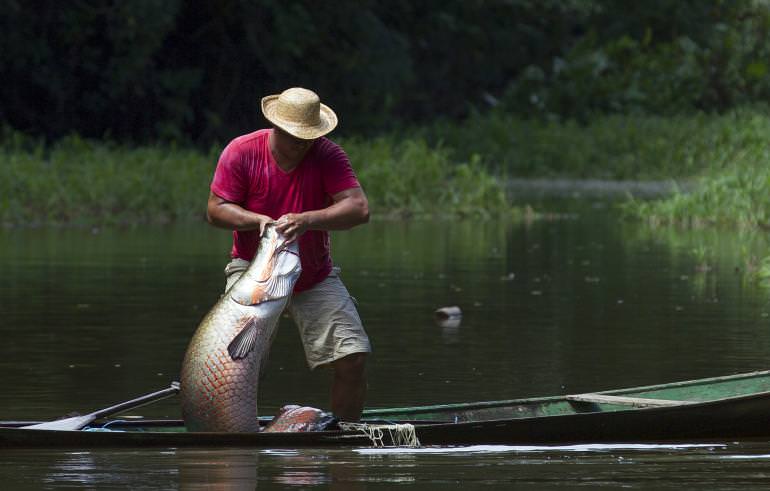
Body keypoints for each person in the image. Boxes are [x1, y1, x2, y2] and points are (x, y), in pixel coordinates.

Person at [206, 87, 371, 422]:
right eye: (295, 137)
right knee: (232, 363)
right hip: (252, 272)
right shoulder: (242, 151)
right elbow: (216, 210)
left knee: (352, 357)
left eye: (309, 137)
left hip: (313, 274)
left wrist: (308, 218)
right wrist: (257, 221)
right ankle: (227, 432)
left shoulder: (328, 155)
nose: (302, 144)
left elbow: (359, 208)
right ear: (276, 128)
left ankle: (346, 438)